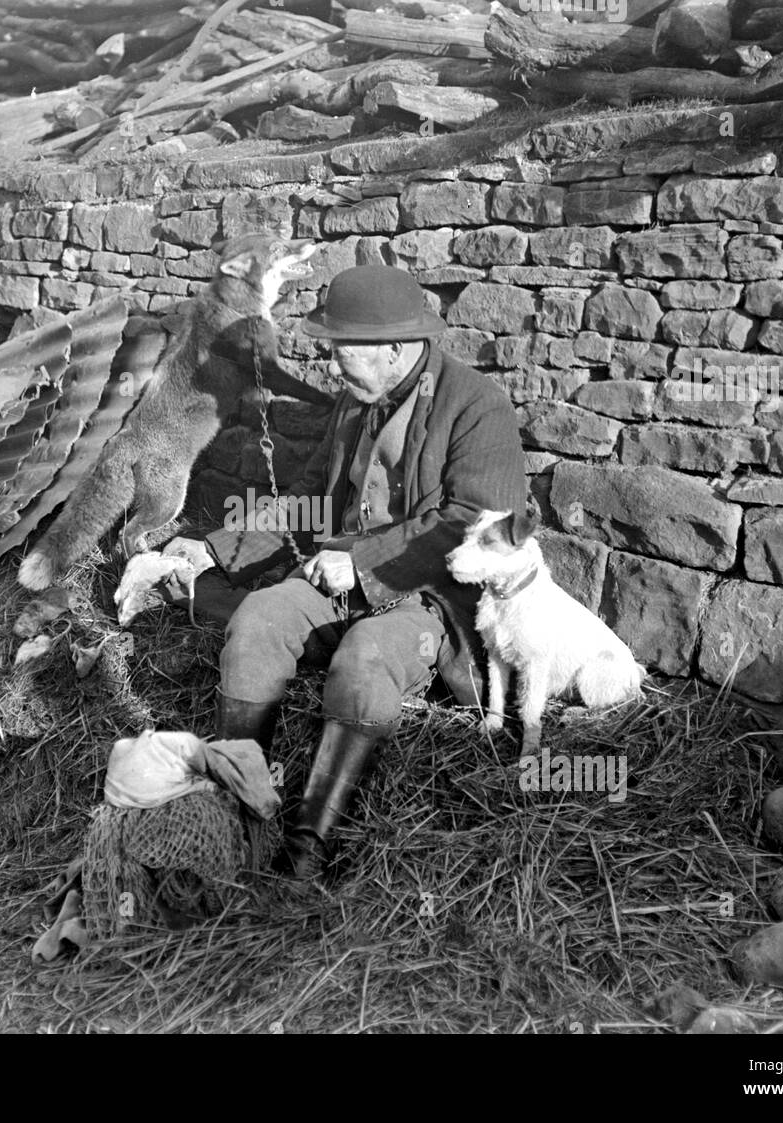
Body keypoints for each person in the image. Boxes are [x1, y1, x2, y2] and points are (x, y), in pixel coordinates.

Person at [165, 264, 528, 879]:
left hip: (430, 595)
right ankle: (242, 806)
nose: (331, 363)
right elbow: (310, 499)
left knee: (364, 657)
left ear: (394, 349)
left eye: (340, 350)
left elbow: (476, 522)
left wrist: (360, 563)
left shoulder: (477, 407)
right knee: (257, 618)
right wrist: (217, 547)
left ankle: (308, 848)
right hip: (334, 576)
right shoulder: (356, 402)